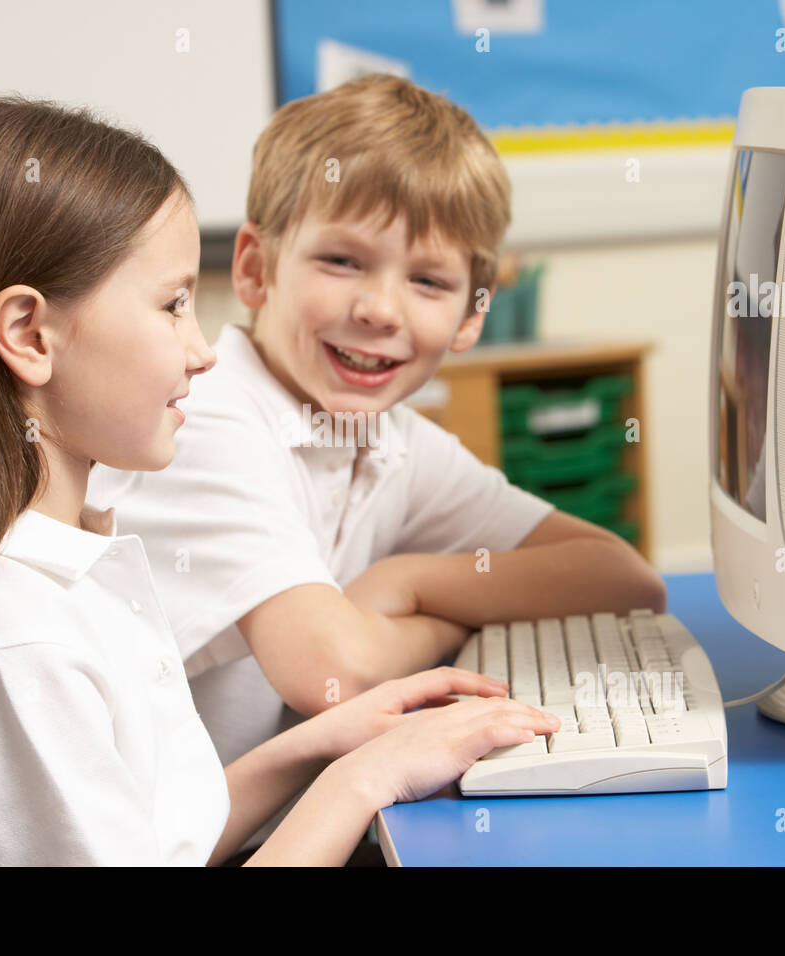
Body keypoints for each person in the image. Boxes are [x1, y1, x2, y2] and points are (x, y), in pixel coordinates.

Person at [0, 95, 558, 865]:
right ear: (28, 335)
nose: (203, 350)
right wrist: (366, 776)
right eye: (174, 304)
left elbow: (162, 837)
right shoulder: (21, 643)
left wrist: (331, 740)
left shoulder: (74, 568)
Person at [86, 74, 668, 853]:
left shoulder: (394, 440)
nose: (381, 309)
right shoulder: (207, 414)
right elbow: (336, 672)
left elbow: (624, 577)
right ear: (256, 269)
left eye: (428, 281)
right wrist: (444, 619)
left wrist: (407, 584)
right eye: (342, 261)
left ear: (471, 316)